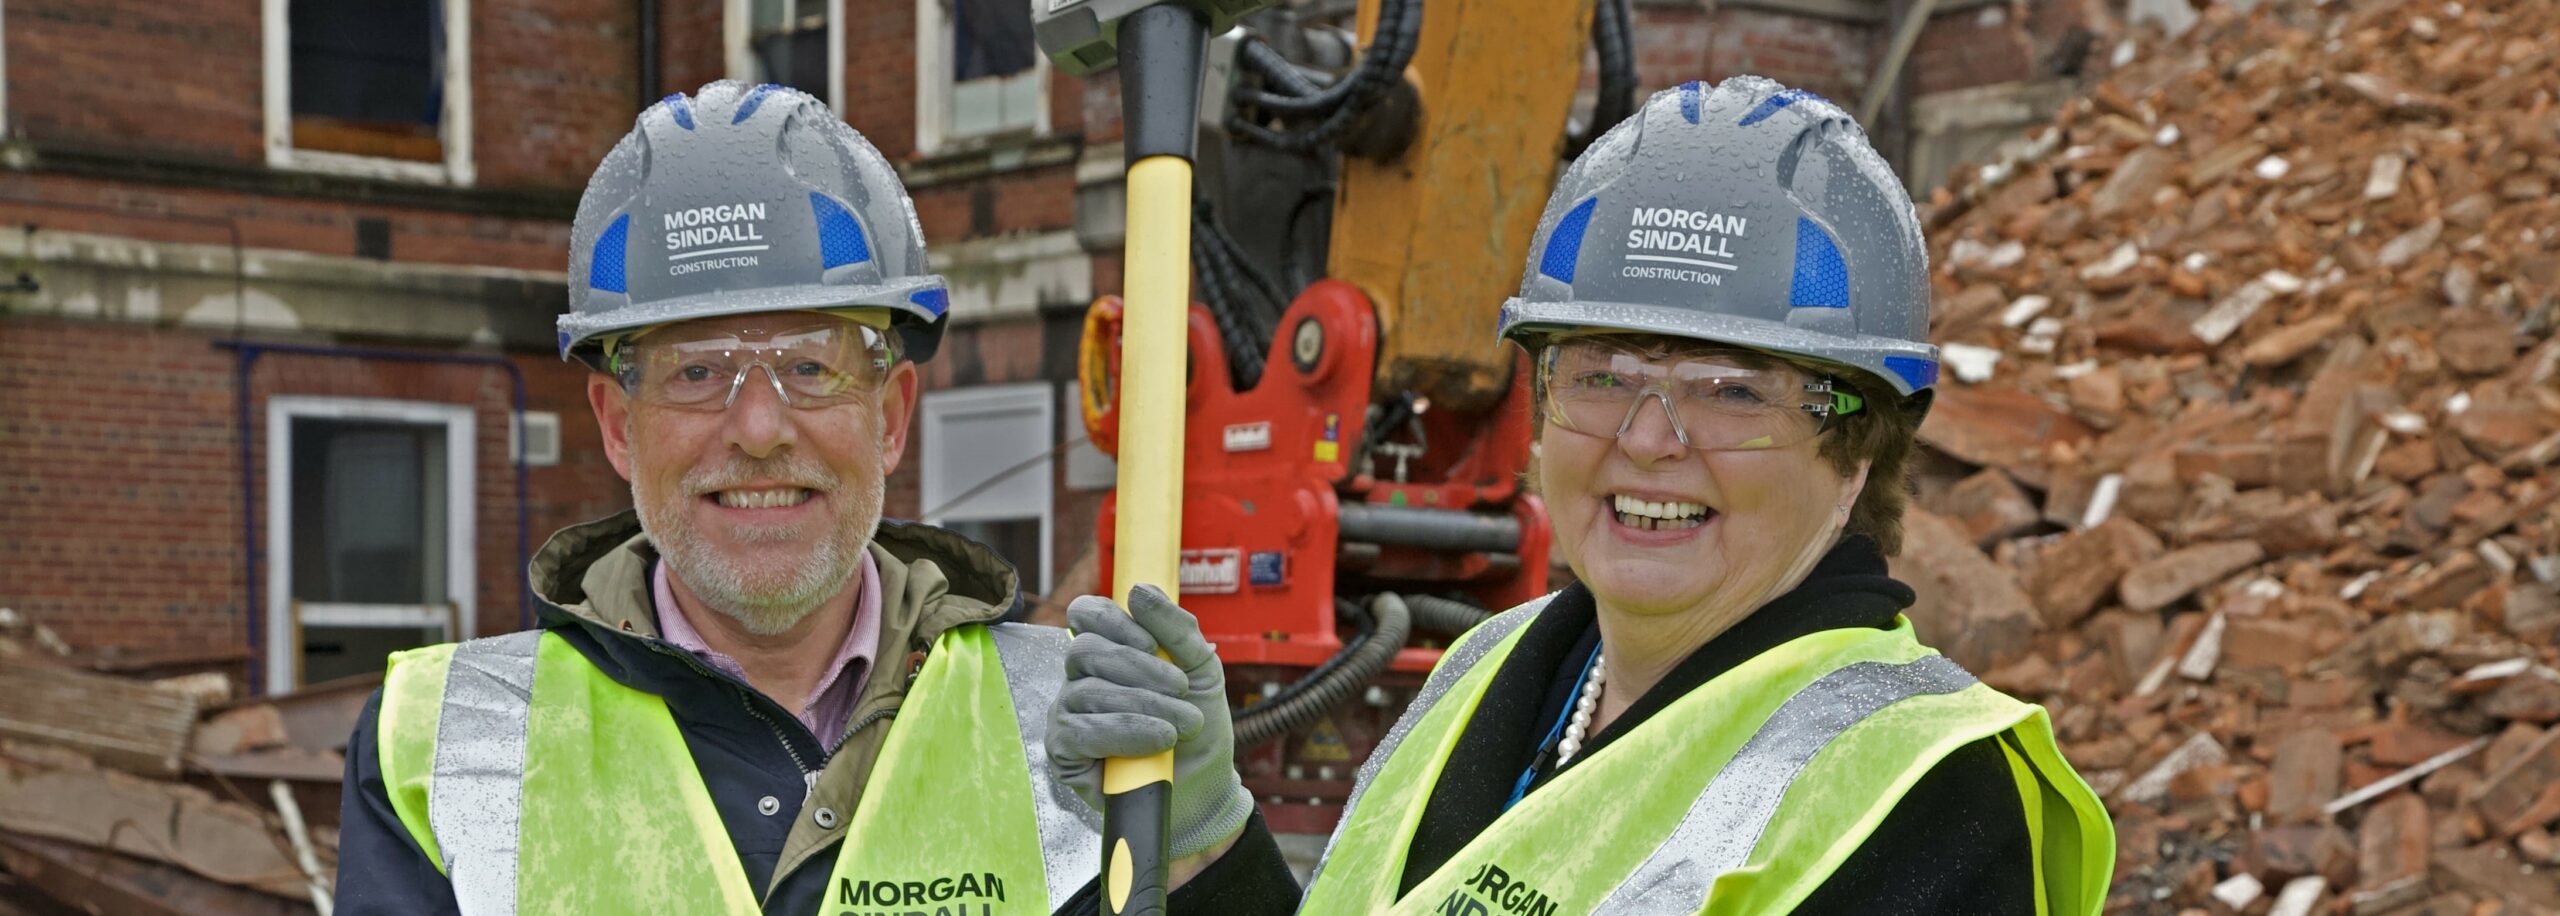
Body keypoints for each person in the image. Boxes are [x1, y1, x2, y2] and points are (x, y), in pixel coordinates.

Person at [1051, 76, 2116, 914]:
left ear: (1858, 448)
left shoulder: (1923, 792)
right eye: (1602, 374)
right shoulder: (1488, 675)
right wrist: (1201, 849)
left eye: (1730, 391)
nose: (1649, 440)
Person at [333, 81, 1293, 915]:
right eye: (698, 370)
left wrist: (1203, 840)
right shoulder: (446, 748)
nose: (758, 429)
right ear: (618, 426)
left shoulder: (1072, 722)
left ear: (891, 414)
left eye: (810, 362)